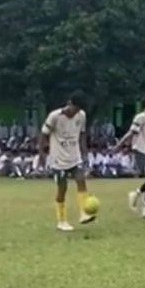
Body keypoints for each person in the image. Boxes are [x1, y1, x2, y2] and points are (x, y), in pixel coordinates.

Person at [39, 91, 95, 232]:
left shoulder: (81, 116)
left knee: (81, 180)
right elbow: (43, 134)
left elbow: (82, 135)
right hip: (59, 159)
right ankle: (61, 221)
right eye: (74, 109)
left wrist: (84, 153)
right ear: (69, 103)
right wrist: (42, 154)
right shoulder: (55, 116)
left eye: (78, 110)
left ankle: (83, 213)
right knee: (62, 189)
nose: (75, 112)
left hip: (74, 156)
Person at [114, 95, 145, 220]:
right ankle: (136, 194)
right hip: (141, 152)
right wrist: (119, 145)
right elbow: (131, 133)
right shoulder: (140, 117)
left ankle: (144, 206)